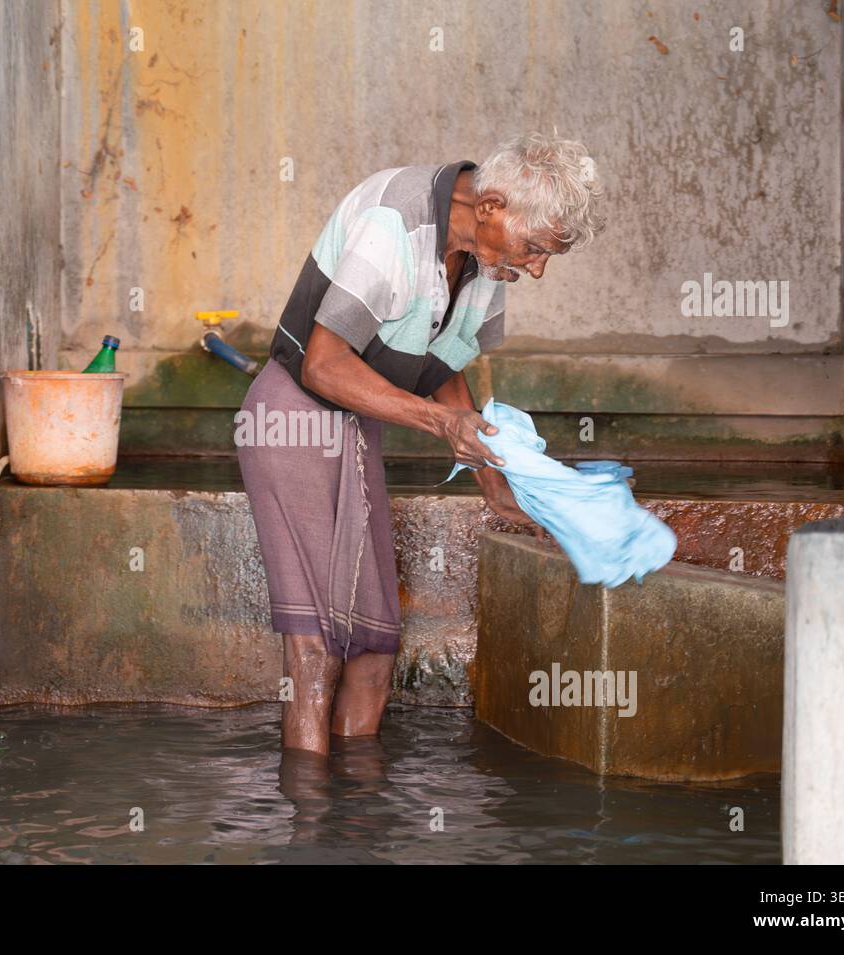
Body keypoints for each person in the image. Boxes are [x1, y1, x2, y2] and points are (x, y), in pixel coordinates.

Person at [236, 132, 606, 756]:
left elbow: (444, 369)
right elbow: (323, 367)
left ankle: (356, 825)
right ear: (491, 206)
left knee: (375, 653)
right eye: (537, 249)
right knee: (315, 651)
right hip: (294, 418)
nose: (537, 268)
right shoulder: (396, 224)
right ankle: (308, 823)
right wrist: (441, 427)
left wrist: (496, 487)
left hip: (356, 428)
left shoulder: (485, 259)